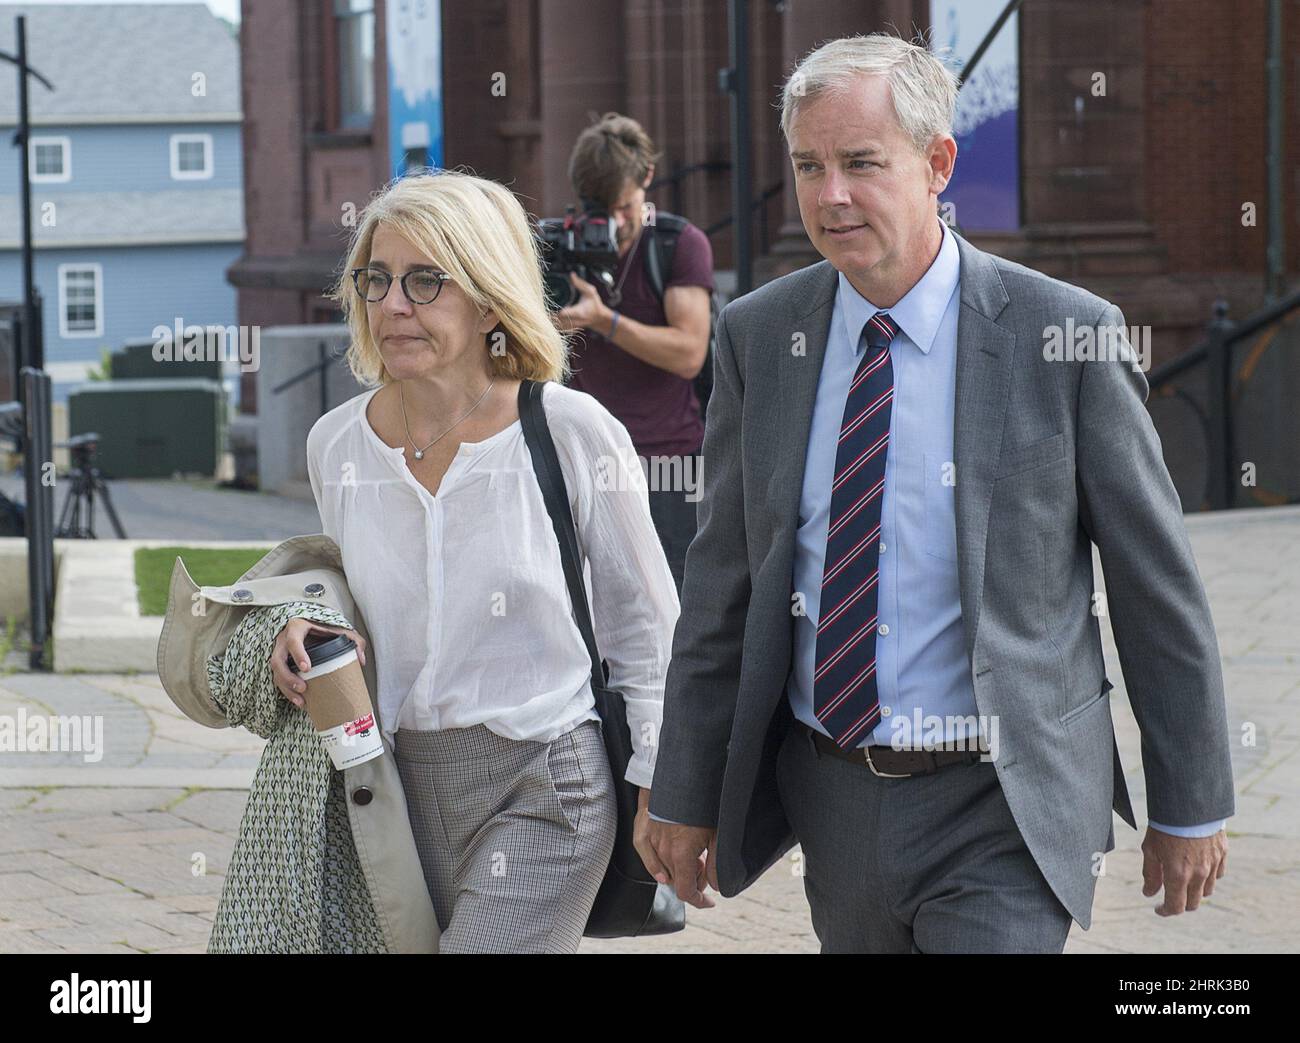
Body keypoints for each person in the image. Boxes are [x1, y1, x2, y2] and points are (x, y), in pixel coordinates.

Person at [644, 33, 1235, 953]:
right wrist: (682, 789)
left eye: (861, 163)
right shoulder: (760, 337)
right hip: (832, 793)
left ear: (938, 163)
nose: (829, 194)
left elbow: (1157, 588)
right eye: (809, 165)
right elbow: (723, 581)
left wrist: (1192, 801)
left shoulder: (1065, 335)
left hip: (1004, 792)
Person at [275, 169, 679, 953]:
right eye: (378, 279)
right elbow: (353, 593)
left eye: (428, 281)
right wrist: (304, 619)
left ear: (490, 296)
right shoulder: (337, 444)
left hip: (545, 784)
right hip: (389, 788)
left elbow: (647, 623)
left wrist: (661, 777)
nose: (394, 304)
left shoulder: (570, 431)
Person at [553, 112, 715, 592]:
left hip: (667, 466)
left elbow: (689, 353)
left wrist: (605, 321)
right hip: (582, 462)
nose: (615, 222)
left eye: (625, 206)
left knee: (671, 606)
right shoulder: (558, 248)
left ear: (646, 179)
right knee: (589, 608)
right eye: (600, 209)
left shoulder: (677, 244)